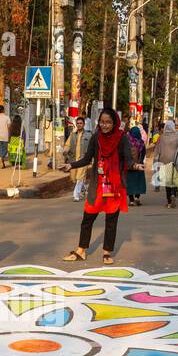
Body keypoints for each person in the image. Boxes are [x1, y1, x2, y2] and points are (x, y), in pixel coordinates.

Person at [61, 107, 130, 265]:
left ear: (114, 123)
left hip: (114, 185)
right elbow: (87, 159)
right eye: (102, 122)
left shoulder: (122, 138)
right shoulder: (96, 137)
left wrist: (135, 165)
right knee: (88, 217)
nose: (105, 125)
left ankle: (107, 253)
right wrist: (71, 165)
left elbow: (128, 157)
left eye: (108, 122)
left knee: (111, 220)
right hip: (97, 184)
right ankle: (81, 250)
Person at [153, 117, 178, 208]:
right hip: (175, 161)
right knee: (174, 180)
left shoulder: (161, 137)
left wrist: (156, 161)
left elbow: (157, 150)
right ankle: (173, 194)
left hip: (164, 161)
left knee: (167, 182)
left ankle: (169, 201)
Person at [66, 115, 89, 201]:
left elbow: (92, 147)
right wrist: (65, 151)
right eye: (78, 123)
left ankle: (76, 195)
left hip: (84, 160)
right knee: (74, 179)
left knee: (80, 177)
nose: (79, 125)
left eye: (81, 123)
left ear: (84, 124)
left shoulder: (89, 135)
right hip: (73, 160)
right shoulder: (72, 135)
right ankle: (83, 189)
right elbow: (67, 144)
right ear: (76, 124)